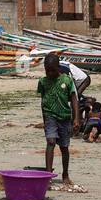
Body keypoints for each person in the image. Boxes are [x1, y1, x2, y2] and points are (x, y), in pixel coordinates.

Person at [39, 52, 80, 183]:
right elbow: (43, 100)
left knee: (64, 147)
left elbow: (74, 100)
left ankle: (65, 174)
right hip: (50, 116)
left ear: (58, 68)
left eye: (52, 70)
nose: (49, 73)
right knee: (50, 142)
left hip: (64, 117)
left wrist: (76, 118)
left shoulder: (67, 80)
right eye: (47, 71)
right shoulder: (43, 82)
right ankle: (48, 175)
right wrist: (44, 119)